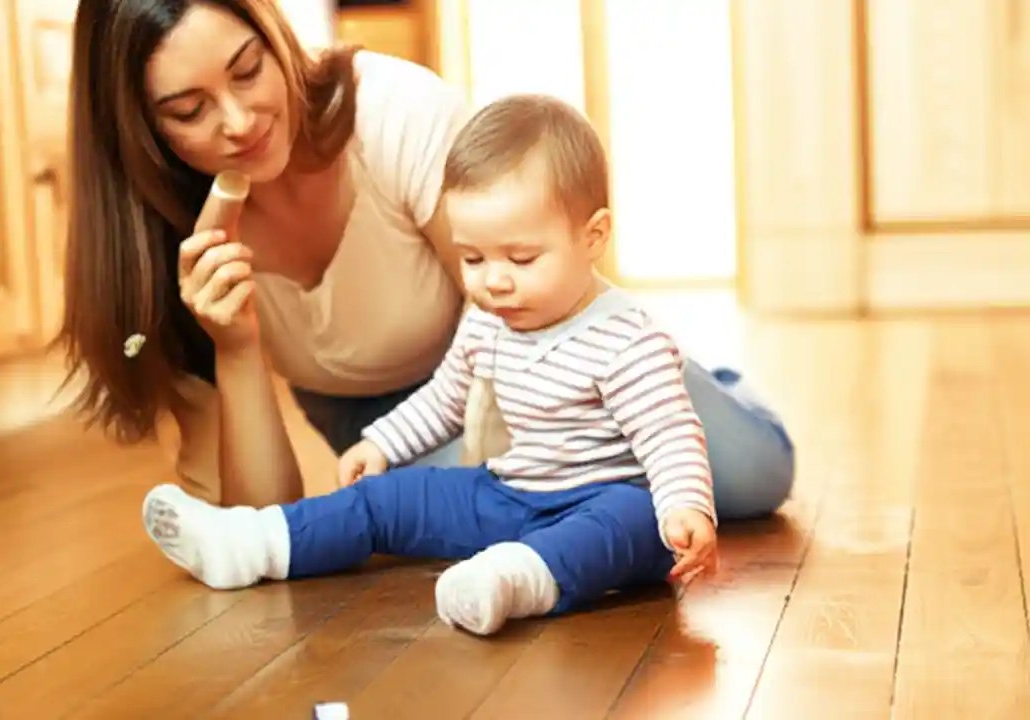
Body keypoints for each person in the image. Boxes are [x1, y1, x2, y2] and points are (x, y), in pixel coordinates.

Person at [59, 0, 795, 521]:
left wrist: (561, 443)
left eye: (248, 70)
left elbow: (515, 309)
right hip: (388, 422)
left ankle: (699, 382)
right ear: (142, 131)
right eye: (189, 111)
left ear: (272, 34)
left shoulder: (390, 113)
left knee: (750, 477)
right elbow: (265, 520)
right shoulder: (159, 240)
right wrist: (239, 344)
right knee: (479, 507)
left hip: (539, 350)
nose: (240, 121)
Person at [141, 94, 718, 636]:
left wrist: (686, 507)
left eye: (522, 258)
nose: (494, 280)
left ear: (593, 237)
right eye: (473, 257)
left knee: (629, 520)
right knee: (387, 499)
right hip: (511, 492)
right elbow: (444, 399)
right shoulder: (490, 319)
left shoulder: (625, 338)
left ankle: (515, 579)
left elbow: (669, 435)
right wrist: (383, 445)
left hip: (602, 498)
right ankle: (253, 543)